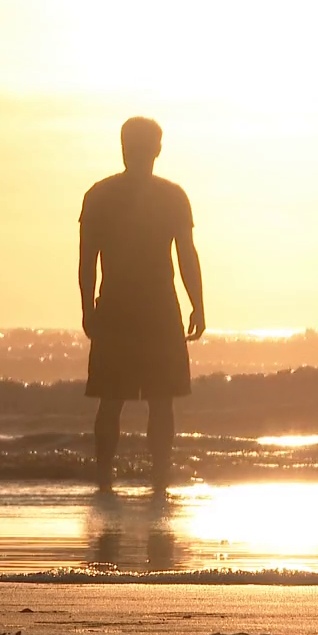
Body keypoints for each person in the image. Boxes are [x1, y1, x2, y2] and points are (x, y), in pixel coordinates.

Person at [78, 116, 205, 492]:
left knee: (115, 400)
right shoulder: (170, 196)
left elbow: (88, 261)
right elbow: (187, 256)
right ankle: (158, 480)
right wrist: (197, 303)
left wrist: (88, 307)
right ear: (158, 149)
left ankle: (107, 478)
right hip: (154, 307)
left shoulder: (100, 194)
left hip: (121, 306)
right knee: (157, 400)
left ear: (124, 147)